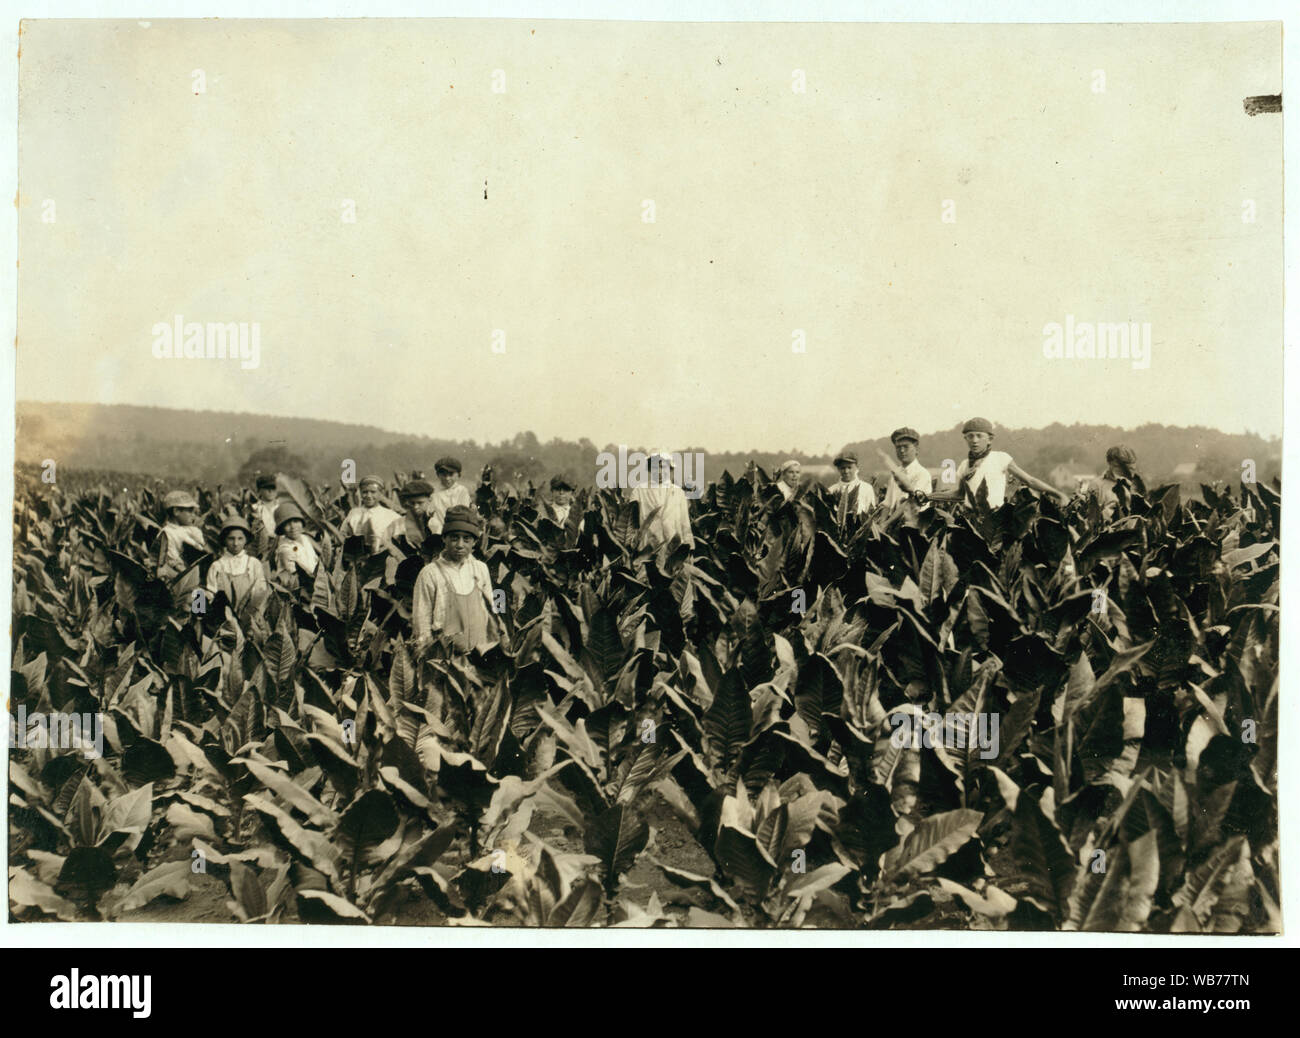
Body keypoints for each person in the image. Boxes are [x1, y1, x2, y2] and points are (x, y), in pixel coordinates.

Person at [411, 505, 504, 654]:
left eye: (466, 539)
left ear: (474, 542)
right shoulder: (430, 573)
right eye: (454, 538)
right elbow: (421, 621)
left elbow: (493, 607)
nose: (460, 545)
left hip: (479, 654)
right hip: (445, 656)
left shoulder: (481, 569)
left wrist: (500, 637)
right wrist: (425, 653)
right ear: (444, 539)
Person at [932, 417, 1070, 510]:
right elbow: (960, 494)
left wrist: (1058, 494)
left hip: (995, 519)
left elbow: (1030, 480)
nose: (974, 440)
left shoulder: (1001, 458)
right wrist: (929, 496)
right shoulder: (964, 465)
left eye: (979, 436)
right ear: (965, 439)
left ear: (990, 439)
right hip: (970, 520)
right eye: (970, 436)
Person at [206, 515, 271, 612]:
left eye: (240, 538)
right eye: (231, 538)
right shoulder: (217, 566)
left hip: (249, 614)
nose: (236, 543)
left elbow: (260, 592)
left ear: (246, 540)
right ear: (224, 540)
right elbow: (211, 594)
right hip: (224, 616)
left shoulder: (253, 563)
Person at [631, 452, 695, 550]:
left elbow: (685, 523)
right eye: (655, 467)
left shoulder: (679, 493)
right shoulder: (639, 491)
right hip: (648, 549)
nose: (659, 471)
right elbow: (633, 525)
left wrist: (689, 547)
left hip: (673, 547)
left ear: (670, 468)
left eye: (663, 467)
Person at [156, 490, 208, 580]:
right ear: (176, 511)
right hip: (183, 578)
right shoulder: (167, 533)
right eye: (190, 511)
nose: (193, 516)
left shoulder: (193, 530)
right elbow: (174, 562)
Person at [340, 475, 401, 552]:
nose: (369, 496)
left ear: (380, 493)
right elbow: (342, 535)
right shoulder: (354, 513)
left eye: (373, 492)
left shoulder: (392, 516)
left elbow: (399, 542)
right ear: (361, 494)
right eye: (365, 492)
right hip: (357, 558)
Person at [878, 427, 934, 509]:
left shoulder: (922, 474)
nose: (902, 450)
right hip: (892, 520)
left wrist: (886, 522)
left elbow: (910, 506)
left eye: (906, 446)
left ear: (916, 449)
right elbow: (887, 504)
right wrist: (881, 521)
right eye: (898, 447)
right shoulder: (895, 474)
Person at [1084, 445, 1140, 516]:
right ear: (1110, 463)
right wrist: (1107, 512)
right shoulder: (1096, 485)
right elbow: (1089, 516)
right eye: (1117, 466)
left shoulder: (1133, 486)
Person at [426, 457, 474, 536]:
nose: (447, 478)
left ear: (458, 475)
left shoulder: (462, 491)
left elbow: (463, 512)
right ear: (438, 475)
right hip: (438, 532)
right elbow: (429, 512)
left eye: (451, 475)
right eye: (444, 475)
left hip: (457, 528)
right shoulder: (434, 492)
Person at [828, 450, 875, 529]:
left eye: (849, 467)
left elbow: (871, 514)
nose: (846, 471)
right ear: (838, 469)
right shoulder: (831, 490)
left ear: (857, 467)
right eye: (843, 468)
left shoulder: (867, 488)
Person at [273, 502, 319, 577]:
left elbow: (314, 560)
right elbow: (295, 574)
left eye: (296, 521)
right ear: (282, 528)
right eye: (287, 524)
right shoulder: (285, 549)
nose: (293, 527)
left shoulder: (304, 538)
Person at [388, 478, 435, 550]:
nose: (415, 507)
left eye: (420, 503)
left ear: (430, 499)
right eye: (412, 503)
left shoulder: (438, 520)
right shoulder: (398, 524)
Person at [540, 475, 582, 545]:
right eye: (557, 489)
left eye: (566, 489)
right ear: (552, 491)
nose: (561, 492)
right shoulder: (544, 512)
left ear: (572, 492)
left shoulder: (577, 514)